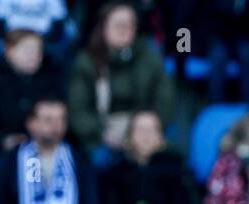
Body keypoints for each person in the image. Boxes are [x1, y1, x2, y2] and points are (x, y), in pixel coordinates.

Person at [66, 2, 175, 159]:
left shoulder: (151, 58)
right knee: (99, 159)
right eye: (118, 24)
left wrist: (144, 129)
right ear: (104, 27)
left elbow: (166, 101)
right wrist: (102, 131)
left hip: (145, 130)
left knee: (169, 153)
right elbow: (78, 112)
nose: (124, 29)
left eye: (129, 24)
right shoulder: (86, 62)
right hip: (102, 135)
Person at [0, 28, 65, 160]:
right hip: (0, 155)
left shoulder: (49, 81)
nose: (35, 55)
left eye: (38, 51)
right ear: (9, 51)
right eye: (28, 50)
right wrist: (4, 140)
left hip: (43, 152)